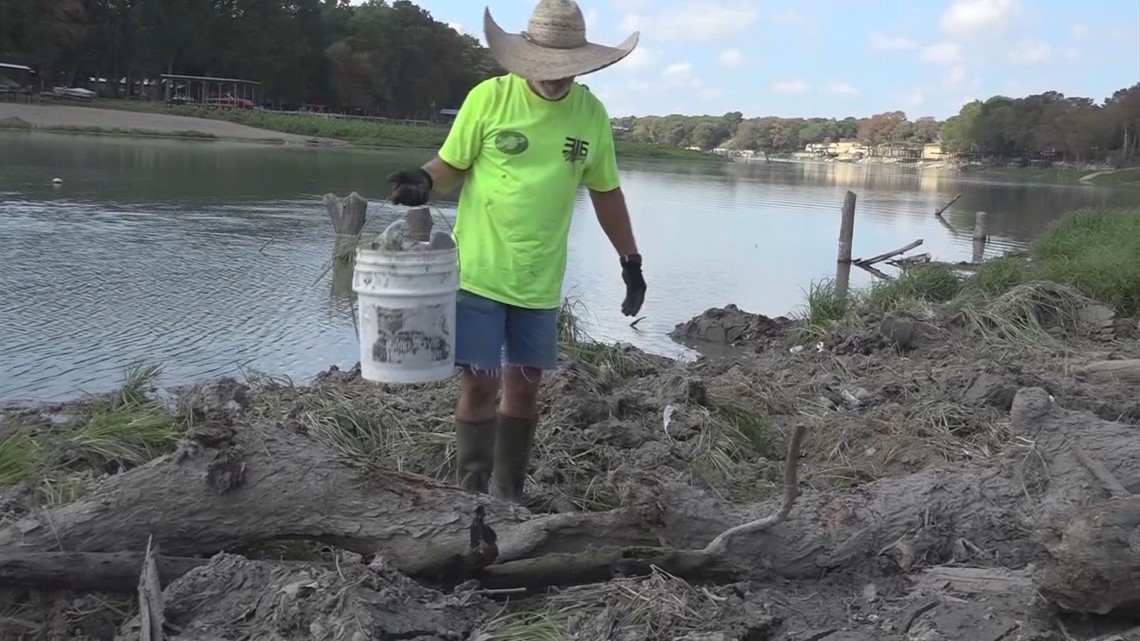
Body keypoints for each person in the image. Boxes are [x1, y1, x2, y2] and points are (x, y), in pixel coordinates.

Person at [386, 0, 646, 505]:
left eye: (565, 69)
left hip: (539, 281)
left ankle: (509, 496)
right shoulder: (488, 99)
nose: (553, 78)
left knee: (525, 388)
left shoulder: (590, 114)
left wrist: (630, 261)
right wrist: (424, 180)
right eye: (544, 67)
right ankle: (471, 496)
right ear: (524, 58)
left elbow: (606, 192)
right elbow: (450, 164)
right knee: (480, 385)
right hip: (479, 274)